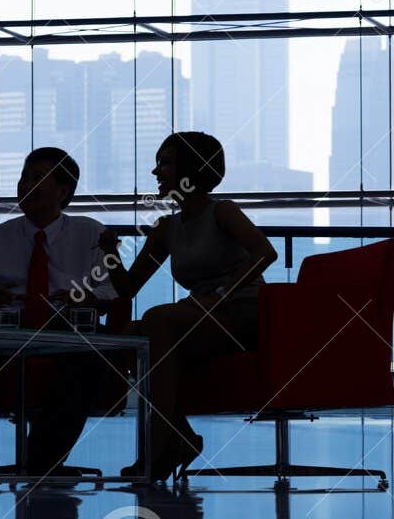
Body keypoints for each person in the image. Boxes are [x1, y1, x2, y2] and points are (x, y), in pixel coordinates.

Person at [0, 147, 118, 477]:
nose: (24, 185)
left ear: (63, 192)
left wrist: (85, 298)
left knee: (86, 350)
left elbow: (112, 290)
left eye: (37, 178)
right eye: (23, 177)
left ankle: (40, 460)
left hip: (64, 328)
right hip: (7, 329)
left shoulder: (90, 234)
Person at [103, 131, 277, 481]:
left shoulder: (222, 212)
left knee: (156, 320)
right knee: (130, 335)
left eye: (164, 163)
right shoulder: (168, 227)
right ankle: (177, 436)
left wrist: (222, 294)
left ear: (191, 170)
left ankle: (159, 443)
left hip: (242, 312)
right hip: (200, 316)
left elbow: (265, 253)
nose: (155, 172)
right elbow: (128, 286)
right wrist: (109, 251)